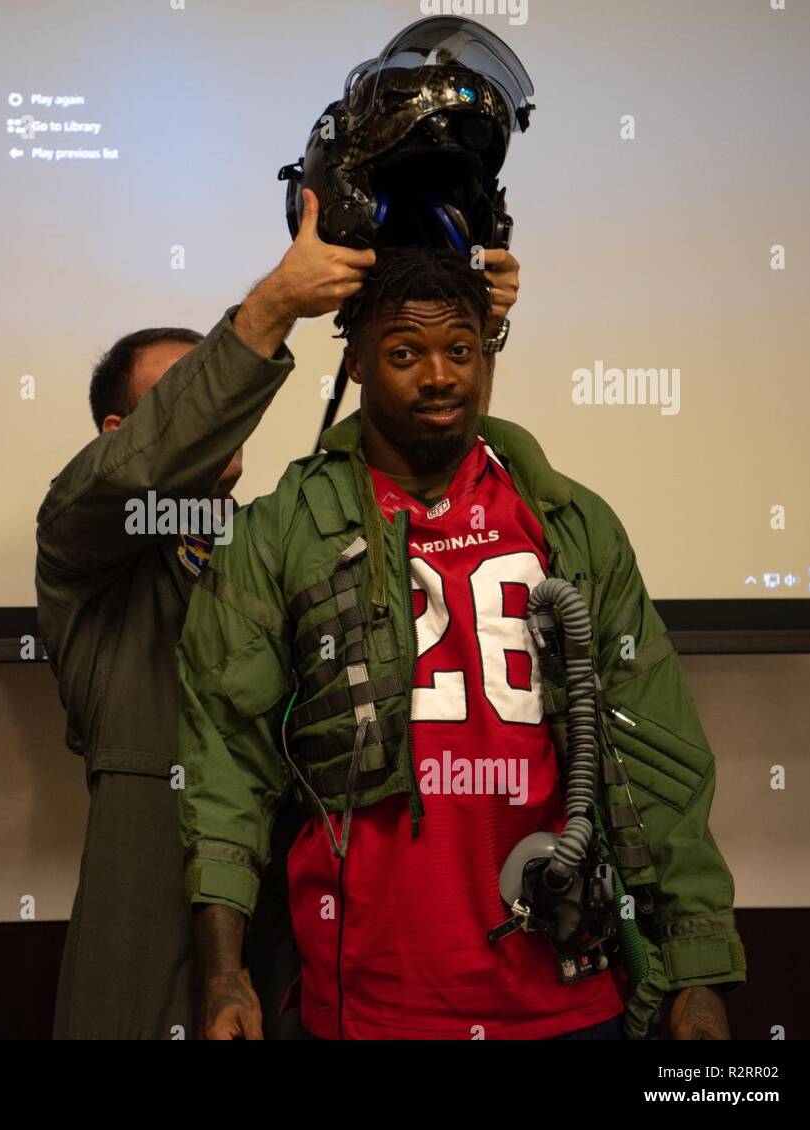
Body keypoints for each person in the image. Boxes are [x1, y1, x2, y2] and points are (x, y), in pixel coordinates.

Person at [177, 245, 744, 1041]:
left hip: (570, 1002)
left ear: (488, 356)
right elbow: (226, 765)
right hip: (369, 1003)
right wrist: (223, 973)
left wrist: (698, 976)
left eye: (461, 351)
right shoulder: (281, 534)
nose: (439, 376)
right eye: (405, 353)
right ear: (358, 365)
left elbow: (657, 753)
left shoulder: (570, 525)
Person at [36, 193, 520, 1038]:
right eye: (185, 399)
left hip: (302, 930)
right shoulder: (87, 545)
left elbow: (441, 456)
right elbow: (129, 483)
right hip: (152, 924)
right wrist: (270, 312)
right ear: (119, 433)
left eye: (220, 394)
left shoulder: (279, 541)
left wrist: (466, 308)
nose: (217, 414)